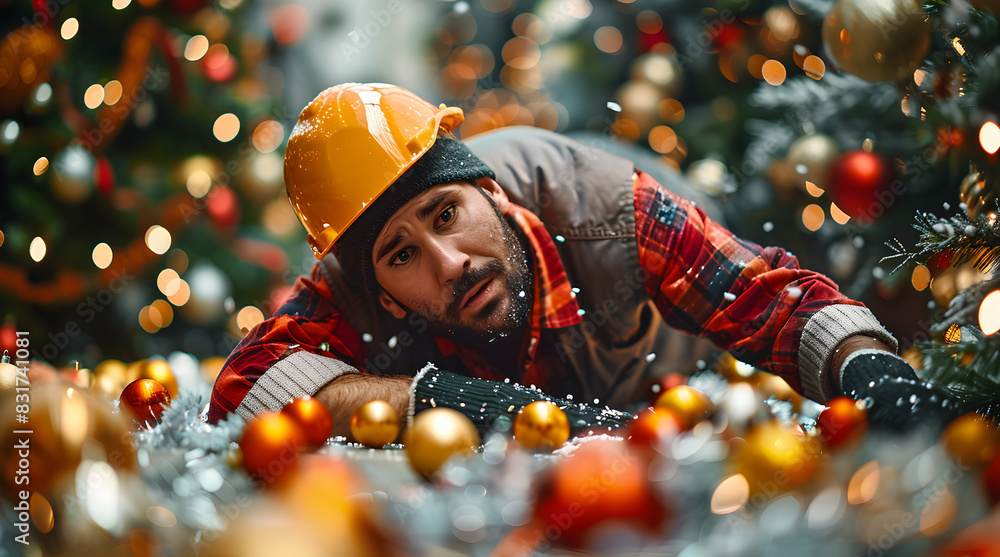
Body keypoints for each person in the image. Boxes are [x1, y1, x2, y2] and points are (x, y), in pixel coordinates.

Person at [208, 82, 959, 435]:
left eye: (447, 214)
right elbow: (240, 392)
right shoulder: (354, 274)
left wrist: (867, 365)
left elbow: (771, 301)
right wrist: (434, 401)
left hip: (633, 236)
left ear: (490, 194)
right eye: (403, 253)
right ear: (375, 279)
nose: (447, 263)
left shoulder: (616, 214)